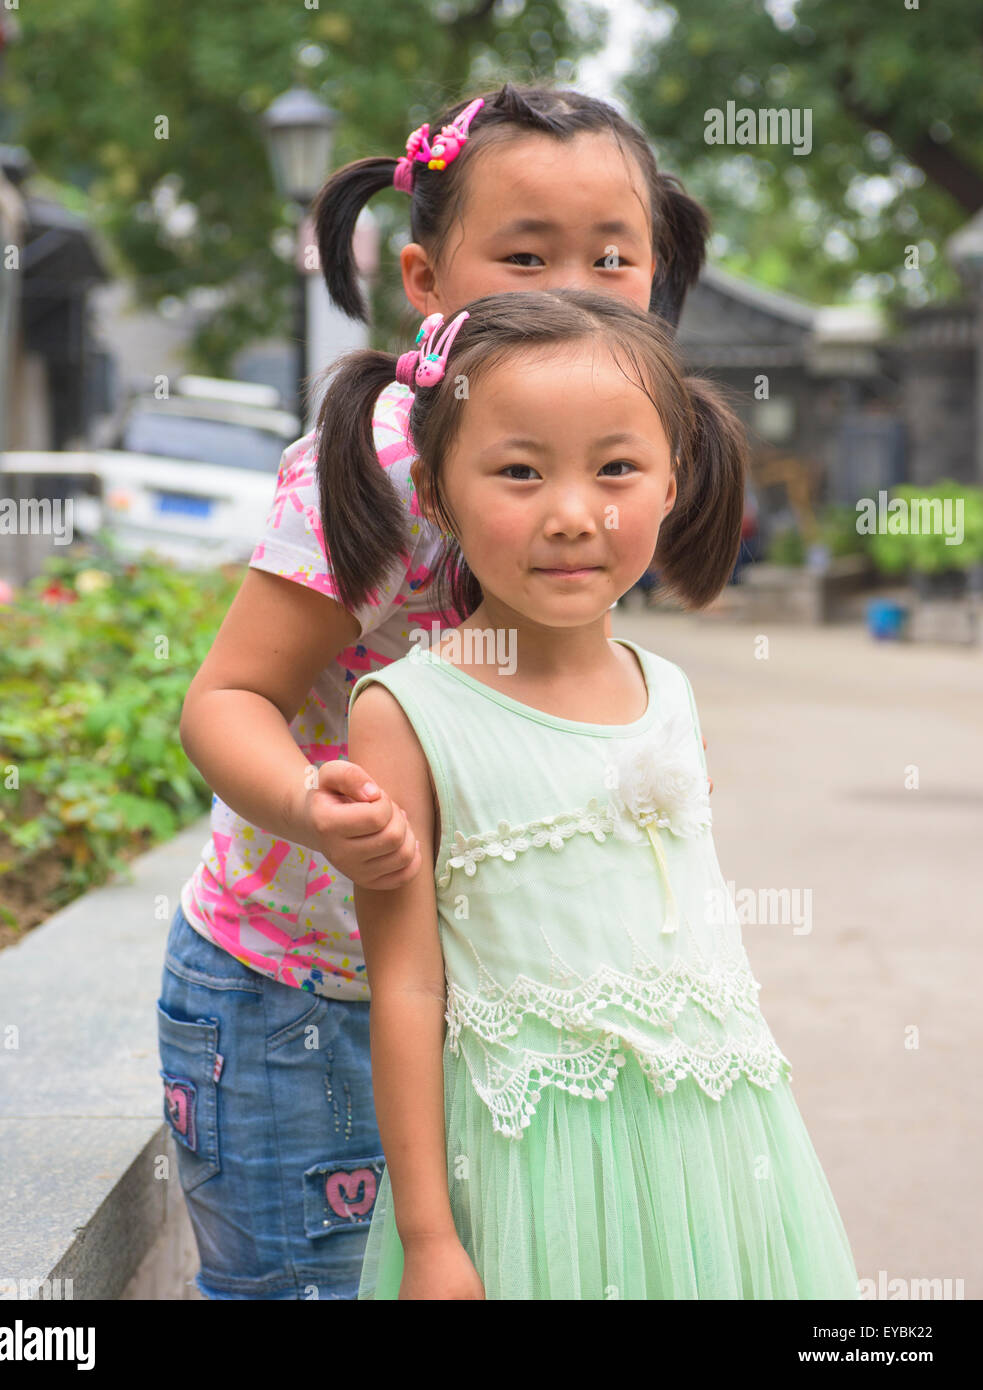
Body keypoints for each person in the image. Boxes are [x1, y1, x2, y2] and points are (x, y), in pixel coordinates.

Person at [160, 82, 712, 1300]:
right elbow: (225, 700)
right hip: (301, 990)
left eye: (610, 257)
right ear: (423, 279)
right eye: (525, 255)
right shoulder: (382, 463)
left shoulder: (605, 451)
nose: (570, 285)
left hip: (481, 1001)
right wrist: (316, 809)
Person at [345, 288, 861, 1300]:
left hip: (715, 1150)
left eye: (616, 468)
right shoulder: (406, 713)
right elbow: (405, 987)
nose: (572, 514)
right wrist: (429, 1237)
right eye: (519, 472)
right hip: (535, 1166)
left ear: (672, 484)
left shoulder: (666, 690)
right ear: (439, 497)